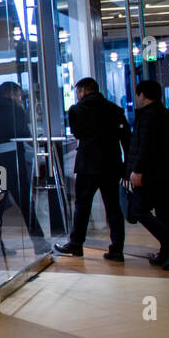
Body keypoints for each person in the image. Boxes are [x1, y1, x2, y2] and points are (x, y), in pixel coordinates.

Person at [54, 78, 129, 260]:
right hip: (111, 164)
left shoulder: (76, 110)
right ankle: (117, 249)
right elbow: (126, 138)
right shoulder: (115, 110)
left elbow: (77, 134)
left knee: (82, 206)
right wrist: (127, 166)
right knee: (113, 208)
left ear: (82, 91)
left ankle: (76, 244)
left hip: (88, 165)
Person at [126, 79, 169, 270]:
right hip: (168, 173)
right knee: (164, 213)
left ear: (142, 95)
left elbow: (146, 146)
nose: (136, 98)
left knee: (138, 210)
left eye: (137, 95)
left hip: (151, 174)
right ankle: (166, 255)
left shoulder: (147, 117)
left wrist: (137, 170)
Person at [0, 81, 50, 254]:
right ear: (12, 94)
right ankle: (39, 243)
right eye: (19, 96)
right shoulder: (16, 110)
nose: (20, 99)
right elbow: (25, 137)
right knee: (25, 203)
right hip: (14, 164)